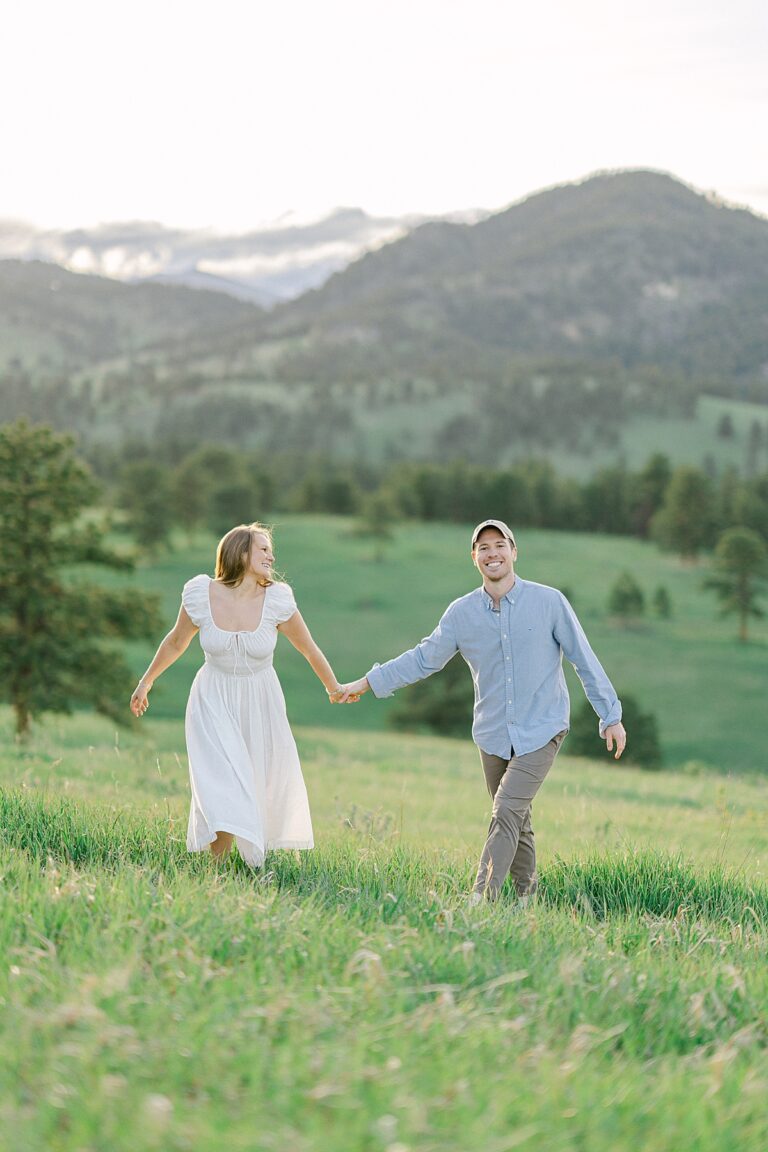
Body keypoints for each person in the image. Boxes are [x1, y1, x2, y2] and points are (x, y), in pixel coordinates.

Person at [336, 520, 627, 902]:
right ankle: (527, 901)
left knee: (505, 810)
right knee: (516, 819)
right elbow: (424, 658)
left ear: (514, 551)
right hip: (492, 735)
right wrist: (368, 682)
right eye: (484, 547)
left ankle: (480, 901)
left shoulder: (549, 602)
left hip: (542, 728)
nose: (493, 553)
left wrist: (611, 715)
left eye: (500, 544)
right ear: (474, 558)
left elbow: (582, 659)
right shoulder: (461, 613)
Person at [130, 522, 349, 866]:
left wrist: (333, 687)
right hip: (212, 699)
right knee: (221, 784)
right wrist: (146, 682)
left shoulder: (277, 600)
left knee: (251, 786)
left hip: (259, 702)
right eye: (263, 549)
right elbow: (175, 642)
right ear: (241, 552)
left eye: (270, 549)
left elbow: (309, 649)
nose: (271, 556)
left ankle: (238, 868)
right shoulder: (200, 593)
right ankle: (217, 871)